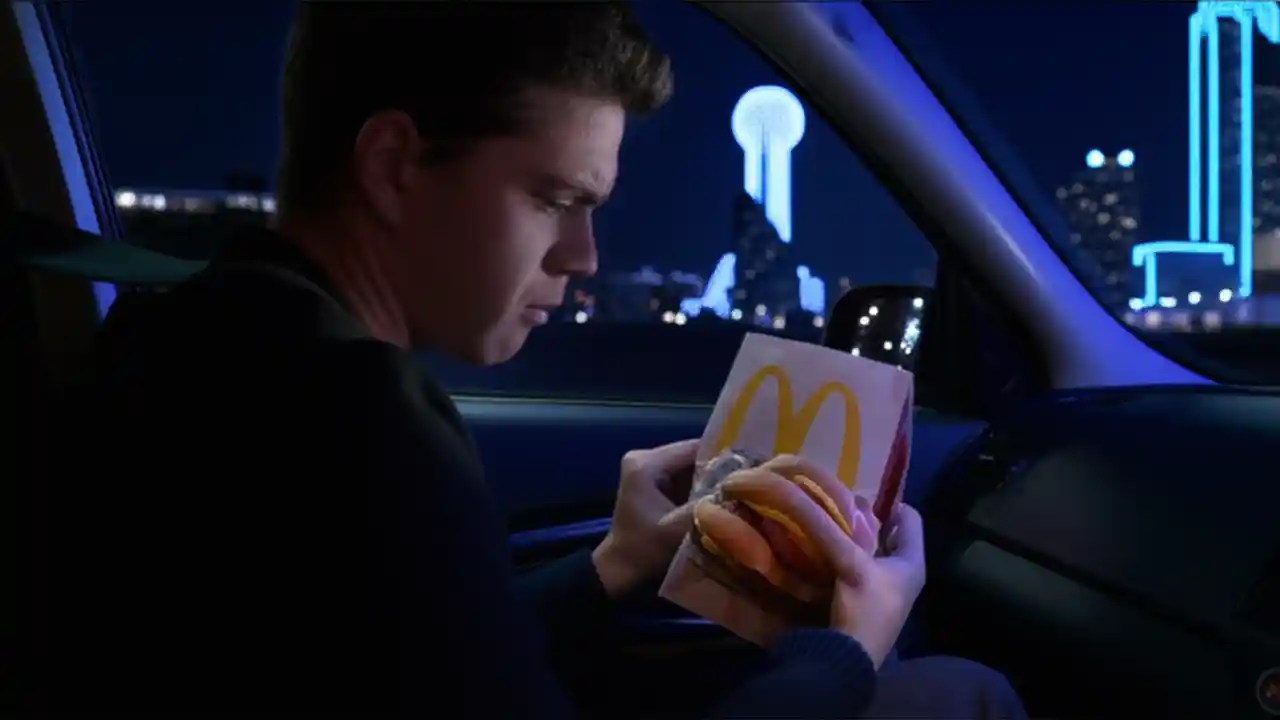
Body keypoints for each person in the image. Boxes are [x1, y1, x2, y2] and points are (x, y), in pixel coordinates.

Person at [42, 2, 1026, 718]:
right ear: (393, 167)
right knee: (961, 695)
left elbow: (424, 660)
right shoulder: (360, 414)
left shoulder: (188, 337)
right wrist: (846, 650)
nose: (583, 257)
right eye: (553, 200)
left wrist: (615, 563)